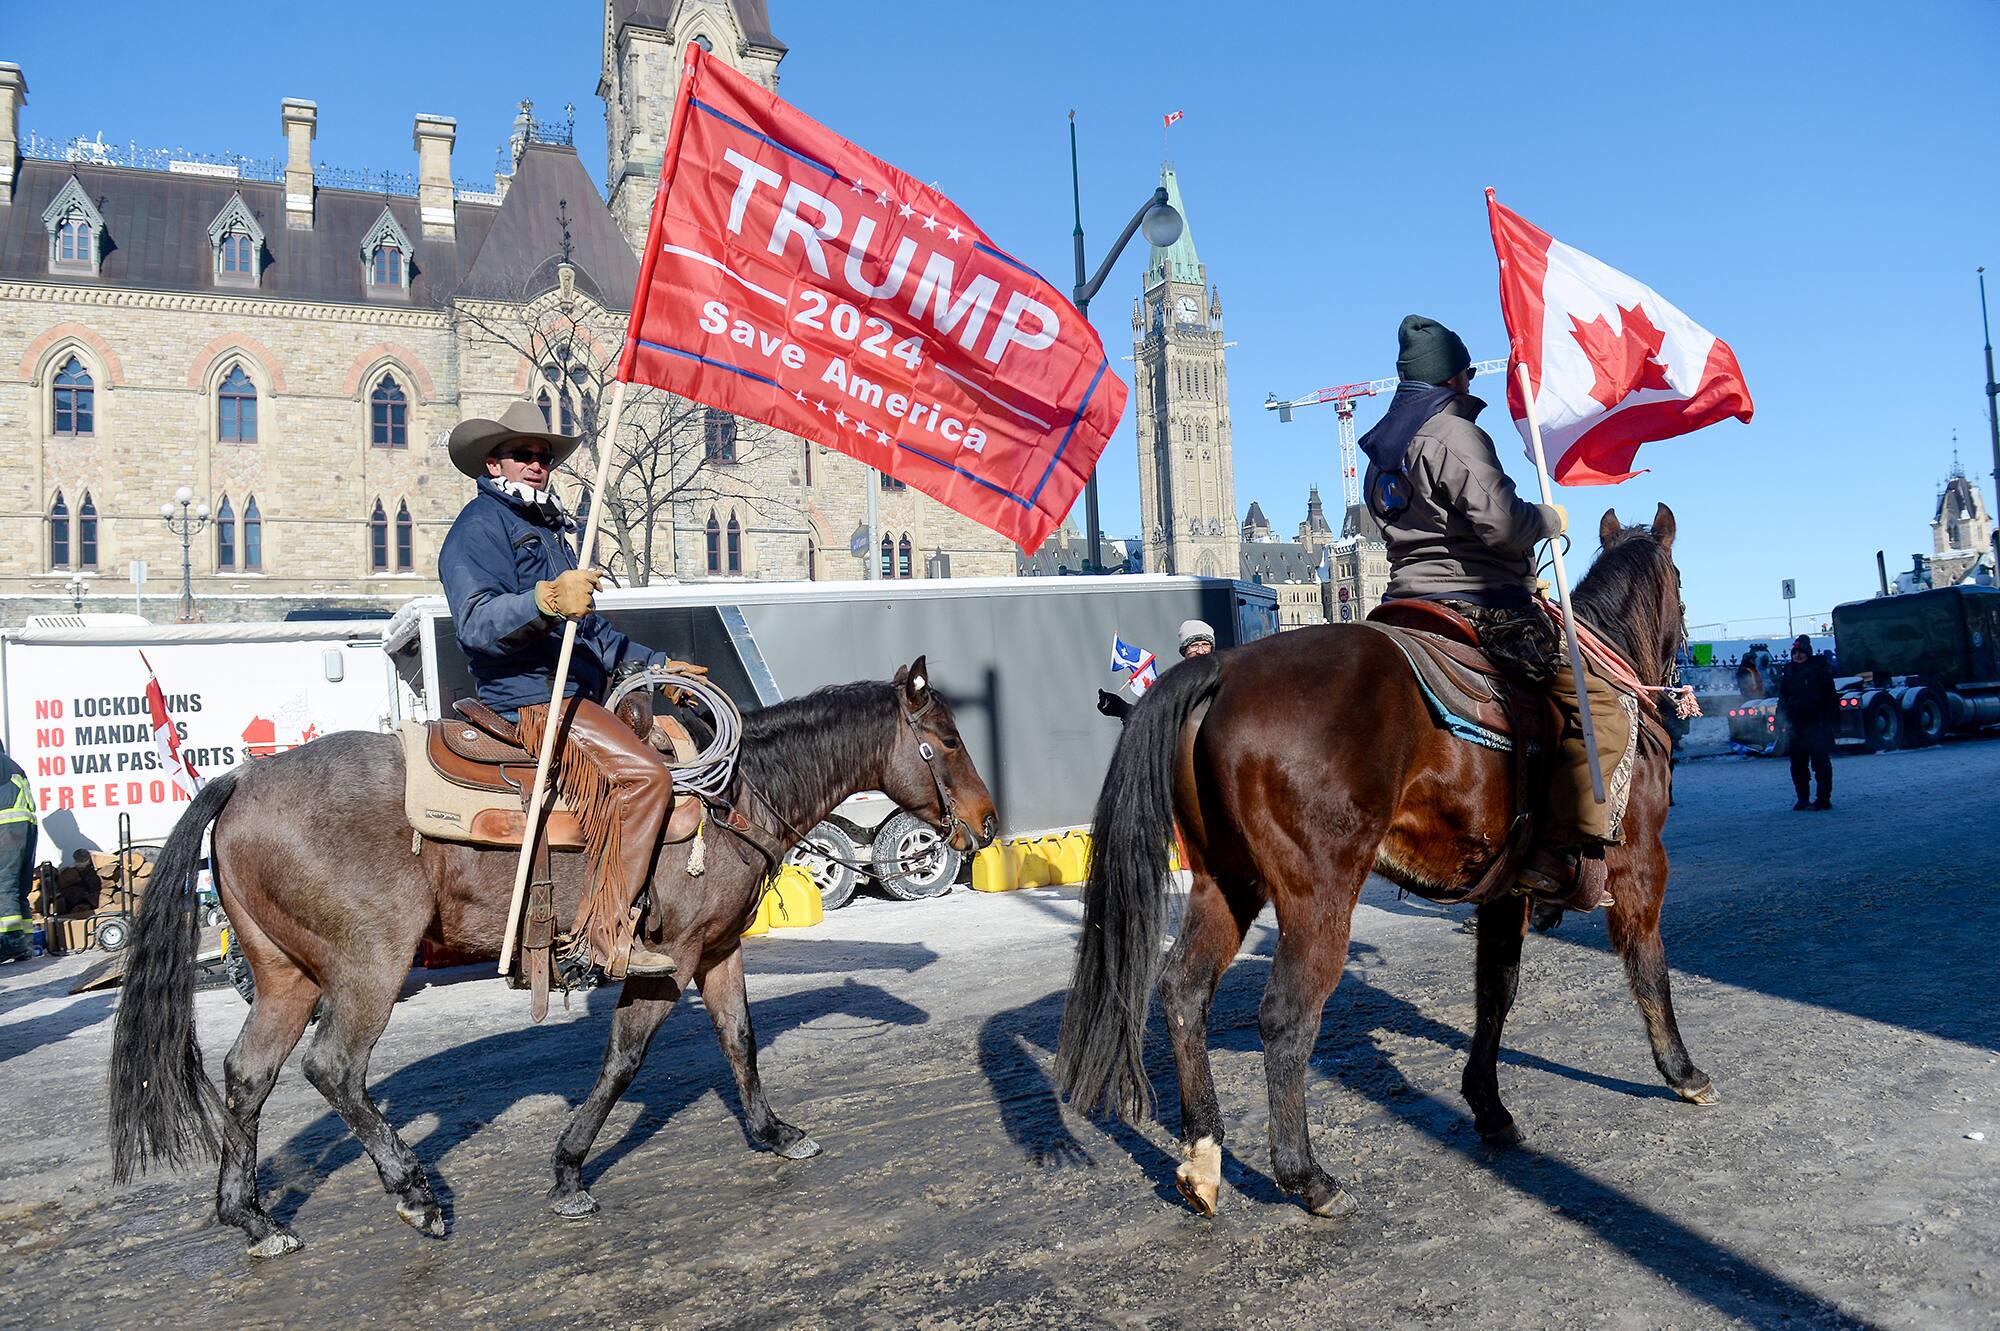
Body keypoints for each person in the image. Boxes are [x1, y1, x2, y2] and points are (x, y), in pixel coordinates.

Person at [1358, 314, 1629, 913]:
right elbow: (1503, 526)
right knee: (1602, 709)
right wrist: (1549, 520)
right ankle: (1556, 850)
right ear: (1455, 378)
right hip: (1481, 603)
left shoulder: (1382, 448)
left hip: (1403, 606)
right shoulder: (1453, 434)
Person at [437, 399, 692, 981]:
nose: (536, 464)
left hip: (578, 691)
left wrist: (659, 667)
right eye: (522, 455)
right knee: (646, 777)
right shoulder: (476, 530)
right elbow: (475, 623)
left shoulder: (549, 531)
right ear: (492, 464)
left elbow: (594, 633)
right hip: (529, 694)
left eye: (543, 456)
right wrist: (542, 600)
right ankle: (605, 933)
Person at [1097, 621, 1219, 720]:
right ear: (1185, 650)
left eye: (1205, 644)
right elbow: (1158, 719)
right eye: (1194, 645)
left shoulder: (1223, 678)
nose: (1201, 650)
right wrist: (1123, 709)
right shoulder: (1174, 683)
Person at [1776, 633, 1837, 810]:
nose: (1798, 656)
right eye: (1795, 653)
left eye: (1801, 652)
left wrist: (1831, 721)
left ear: (1808, 653)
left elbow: (1830, 697)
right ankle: (1802, 798)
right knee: (1798, 765)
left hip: (1817, 724)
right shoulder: (1789, 672)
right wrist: (1781, 720)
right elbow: (1783, 698)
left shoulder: (1819, 670)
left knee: (1821, 763)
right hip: (1796, 726)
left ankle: (1823, 799)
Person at [0, 742, 36, 963]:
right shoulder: (11, 764)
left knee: (3, 885)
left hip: (7, 827)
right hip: (25, 826)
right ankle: (25, 943)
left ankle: (11, 942)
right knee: (18, 886)